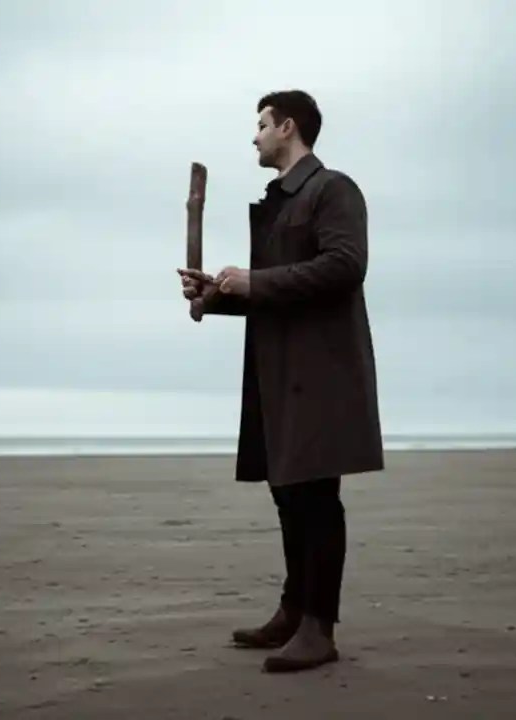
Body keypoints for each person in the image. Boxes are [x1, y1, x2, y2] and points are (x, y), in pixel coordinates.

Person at [176, 89, 384, 674]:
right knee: (288, 492)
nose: (255, 136)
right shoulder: (277, 202)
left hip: (321, 371)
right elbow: (272, 291)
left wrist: (255, 283)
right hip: (277, 368)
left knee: (317, 498)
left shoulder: (332, 189)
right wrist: (216, 295)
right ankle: (293, 612)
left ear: (288, 127)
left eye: (262, 125)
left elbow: (345, 267)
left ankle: (320, 628)